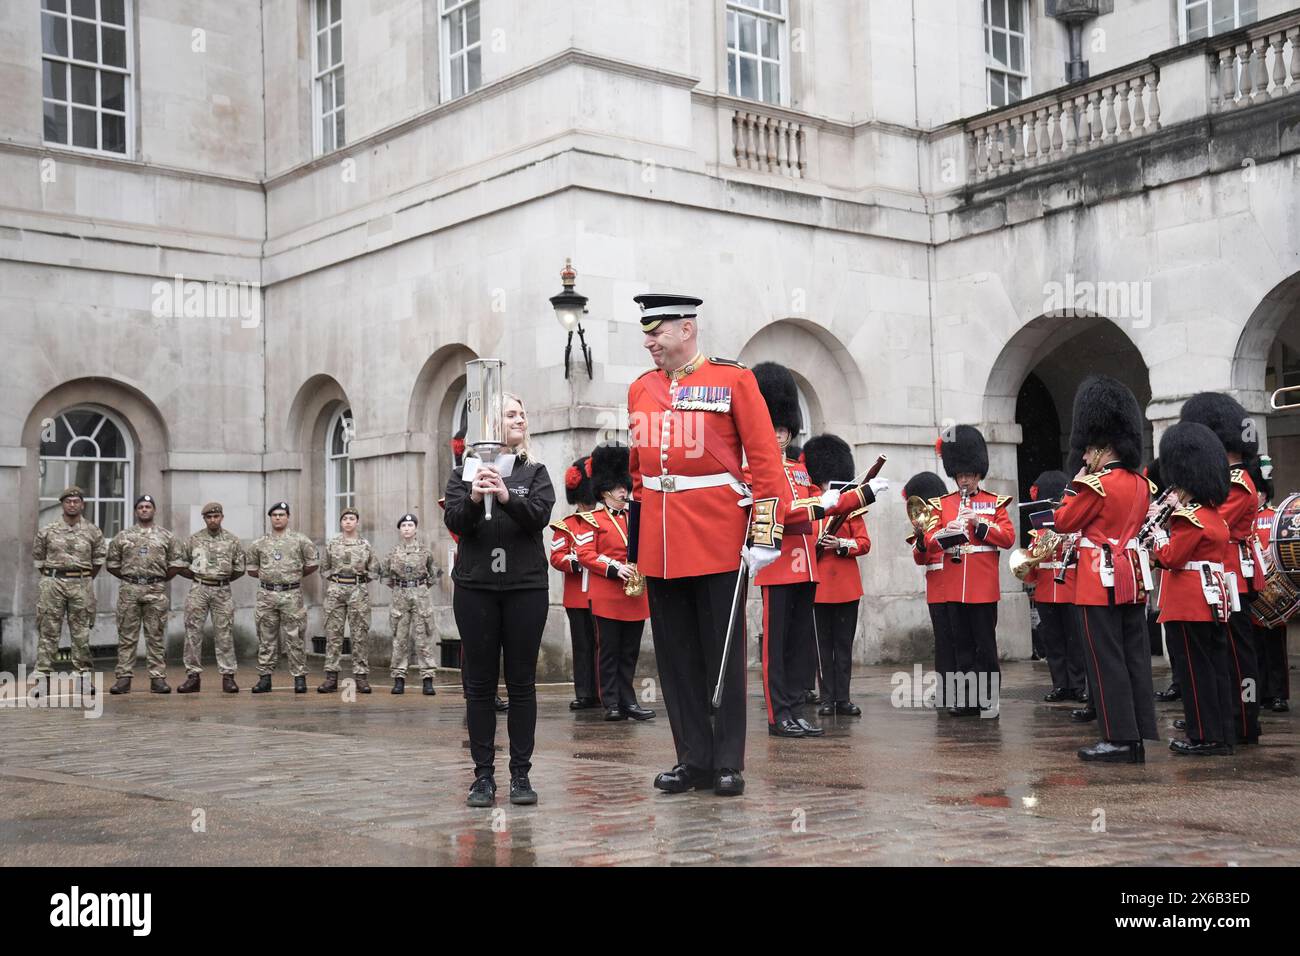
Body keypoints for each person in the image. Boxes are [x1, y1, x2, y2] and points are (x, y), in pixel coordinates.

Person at [627, 293, 790, 797]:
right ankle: (692, 758)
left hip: (719, 537)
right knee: (675, 657)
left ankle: (727, 761)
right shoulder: (640, 390)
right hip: (661, 541)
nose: (649, 341)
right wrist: (637, 549)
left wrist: (765, 535)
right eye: (646, 332)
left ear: (686, 329)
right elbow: (639, 478)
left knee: (721, 651)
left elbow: (765, 465)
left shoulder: (733, 380)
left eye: (658, 331)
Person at [750, 362, 881, 738]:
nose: (777, 435)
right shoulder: (754, 470)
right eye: (773, 428)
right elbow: (785, 511)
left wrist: (861, 493)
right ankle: (778, 716)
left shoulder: (799, 470)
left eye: (783, 429)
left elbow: (825, 505)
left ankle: (794, 708)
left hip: (808, 568)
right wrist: (826, 503)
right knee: (776, 648)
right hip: (776, 567)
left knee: (799, 647)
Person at [443, 393, 555, 808]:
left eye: (523, 414)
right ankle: (483, 777)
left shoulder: (535, 471)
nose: (520, 420)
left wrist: (507, 496)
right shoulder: (462, 474)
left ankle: (521, 775)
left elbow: (538, 517)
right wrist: (475, 498)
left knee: (523, 683)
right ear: (491, 424)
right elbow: (456, 523)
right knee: (480, 686)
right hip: (476, 589)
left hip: (525, 587)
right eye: (511, 414)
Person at [1053, 375, 1158, 762]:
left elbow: (1064, 521)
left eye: (1087, 451)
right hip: (1131, 576)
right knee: (1134, 657)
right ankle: (1138, 736)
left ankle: (1117, 738)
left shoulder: (1096, 485)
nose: (1083, 457)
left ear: (1102, 446)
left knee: (1105, 659)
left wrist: (1074, 484)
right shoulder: (1140, 484)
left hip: (1098, 579)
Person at [1146, 422, 1235, 756]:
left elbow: (1171, 558)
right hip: (1212, 600)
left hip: (1188, 603)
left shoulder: (1189, 518)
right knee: (1214, 670)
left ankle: (1203, 736)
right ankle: (1221, 733)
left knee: (1194, 673)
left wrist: (1158, 535)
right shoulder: (1213, 515)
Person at [1179, 392, 1263, 745]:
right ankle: (1221, 715)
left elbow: (1210, 523)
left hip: (1232, 578)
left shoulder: (1237, 483)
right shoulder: (1222, 479)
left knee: (1238, 655)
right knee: (1223, 653)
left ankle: (1245, 718)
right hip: (1220, 576)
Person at [927, 426, 1014, 716]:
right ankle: (966, 699)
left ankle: (988, 699)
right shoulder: (944, 504)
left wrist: (979, 524)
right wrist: (946, 532)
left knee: (985, 647)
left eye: (969, 475)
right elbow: (930, 540)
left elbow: (1008, 537)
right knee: (962, 647)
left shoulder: (994, 503)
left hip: (982, 586)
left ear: (979, 473)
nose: (964, 480)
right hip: (953, 585)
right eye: (960, 475)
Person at [577, 444, 655, 722]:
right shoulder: (592, 520)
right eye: (619, 488)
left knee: (630, 652)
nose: (625, 491)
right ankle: (610, 701)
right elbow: (584, 554)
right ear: (604, 490)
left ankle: (628, 700)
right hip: (608, 595)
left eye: (626, 486)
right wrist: (613, 568)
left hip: (635, 595)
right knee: (609, 651)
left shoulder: (636, 516)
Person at [805, 434, 872, 718]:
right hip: (819, 586)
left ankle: (843, 698)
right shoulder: (808, 505)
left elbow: (864, 543)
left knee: (843, 646)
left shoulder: (849, 509)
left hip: (845, 586)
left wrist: (842, 545)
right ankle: (827, 698)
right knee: (822, 648)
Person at [31, 486, 106, 697]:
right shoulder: (47, 530)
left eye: (76, 501)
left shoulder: (93, 531)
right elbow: (39, 560)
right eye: (68, 501)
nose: (72, 504)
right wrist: (55, 575)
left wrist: (81, 577)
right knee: (48, 632)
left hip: (81, 584)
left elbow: (98, 560)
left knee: (81, 633)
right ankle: (43, 680)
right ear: (62, 504)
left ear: (82, 504)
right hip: (52, 582)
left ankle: (83, 678)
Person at [1021, 471, 1087, 704]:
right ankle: (1061, 685)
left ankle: (1079, 686)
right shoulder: (1039, 532)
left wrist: (1072, 542)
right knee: (1054, 642)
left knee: (1075, 641)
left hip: (1071, 590)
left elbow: (1084, 559)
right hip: (1047, 591)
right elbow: (1030, 568)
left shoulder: (1077, 529)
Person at [106, 494, 181, 694]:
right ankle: (123, 679)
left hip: (155, 590)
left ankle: (157, 679)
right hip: (129, 590)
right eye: (141, 507)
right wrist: (131, 578)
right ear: (136, 511)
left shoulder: (166, 536)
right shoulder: (123, 536)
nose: (144, 509)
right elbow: (112, 564)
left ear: (154, 510)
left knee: (155, 636)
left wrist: (158, 579)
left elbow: (175, 564)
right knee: (126, 636)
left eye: (148, 506)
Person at [246, 502, 319, 694]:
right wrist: (271, 578)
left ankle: (299, 678)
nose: (278, 518)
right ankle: (265, 678)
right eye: (274, 515)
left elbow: (312, 564)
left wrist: (292, 576)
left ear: (288, 517)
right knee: (266, 637)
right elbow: (252, 569)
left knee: (295, 637)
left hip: (291, 594)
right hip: (267, 595)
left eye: (282, 514)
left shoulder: (300, 540)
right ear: (270, 518)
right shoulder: (259, 543)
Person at [174, 502, 246, 693]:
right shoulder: (194, 540)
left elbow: (239, 568)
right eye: (209, 517)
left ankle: (228, 677)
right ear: (204, 519)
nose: (213, 520)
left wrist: (221, 579)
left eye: (216, 516)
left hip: (222, 591)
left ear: (222, 517)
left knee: (224, 633)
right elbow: (181, 563)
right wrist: (199, 577)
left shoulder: (232, 540)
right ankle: (193, 676)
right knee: (192, 633)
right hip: (199, 589)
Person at [549, 456, 600, 710]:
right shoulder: (567, 526)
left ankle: (604, 692)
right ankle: (585, 693)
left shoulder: (606, 522)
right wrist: (578, 561)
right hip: (577, 596)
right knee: (583, 646)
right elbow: (557, 557)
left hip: (603, 595)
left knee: (604, 647)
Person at [318, 508, 379, 694]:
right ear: (341, 522)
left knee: (359, 634)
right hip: (336, 590)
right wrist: (336, 581)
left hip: (358, 591)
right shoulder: (332, 544)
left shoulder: (365, 545)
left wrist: (359, 581)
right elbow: (324, 568)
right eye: (345, 519)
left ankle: (361, 677)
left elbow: (374, 569)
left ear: (357, 522)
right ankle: (331, 677)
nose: (348, 522)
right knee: (333, 634)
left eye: (352, 519)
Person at [904, 471, 952, 706]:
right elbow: (919, 558)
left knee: (960, 641)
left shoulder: (947, 515)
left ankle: (966, 689)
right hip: (936, 588)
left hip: (955, 584)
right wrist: (921, 539)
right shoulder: (925, 522)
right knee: (943, 642)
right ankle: (945, 689)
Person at [1249, 460, 1290, 712]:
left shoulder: (1275, 516)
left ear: (1262, 493)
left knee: (1275, 646)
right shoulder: (1246, 519)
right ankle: (1262, 692)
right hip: (1253, 585)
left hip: (1274, 589)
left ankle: (1278, 694)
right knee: (1256, 646)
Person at [382, 513, 437, 695]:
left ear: (416, 528)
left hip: (420, 595)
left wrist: (420, 587)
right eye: (403, 525)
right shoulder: (393, 552)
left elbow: (434, 574)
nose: (407, 528)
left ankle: (427, 679)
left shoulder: (425, 551)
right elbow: (385, 576)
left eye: (410, 525)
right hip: (400, 595)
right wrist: (401, 587)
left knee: (423, 638)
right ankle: (399, 679)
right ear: (400, 529)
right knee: (400, 638)